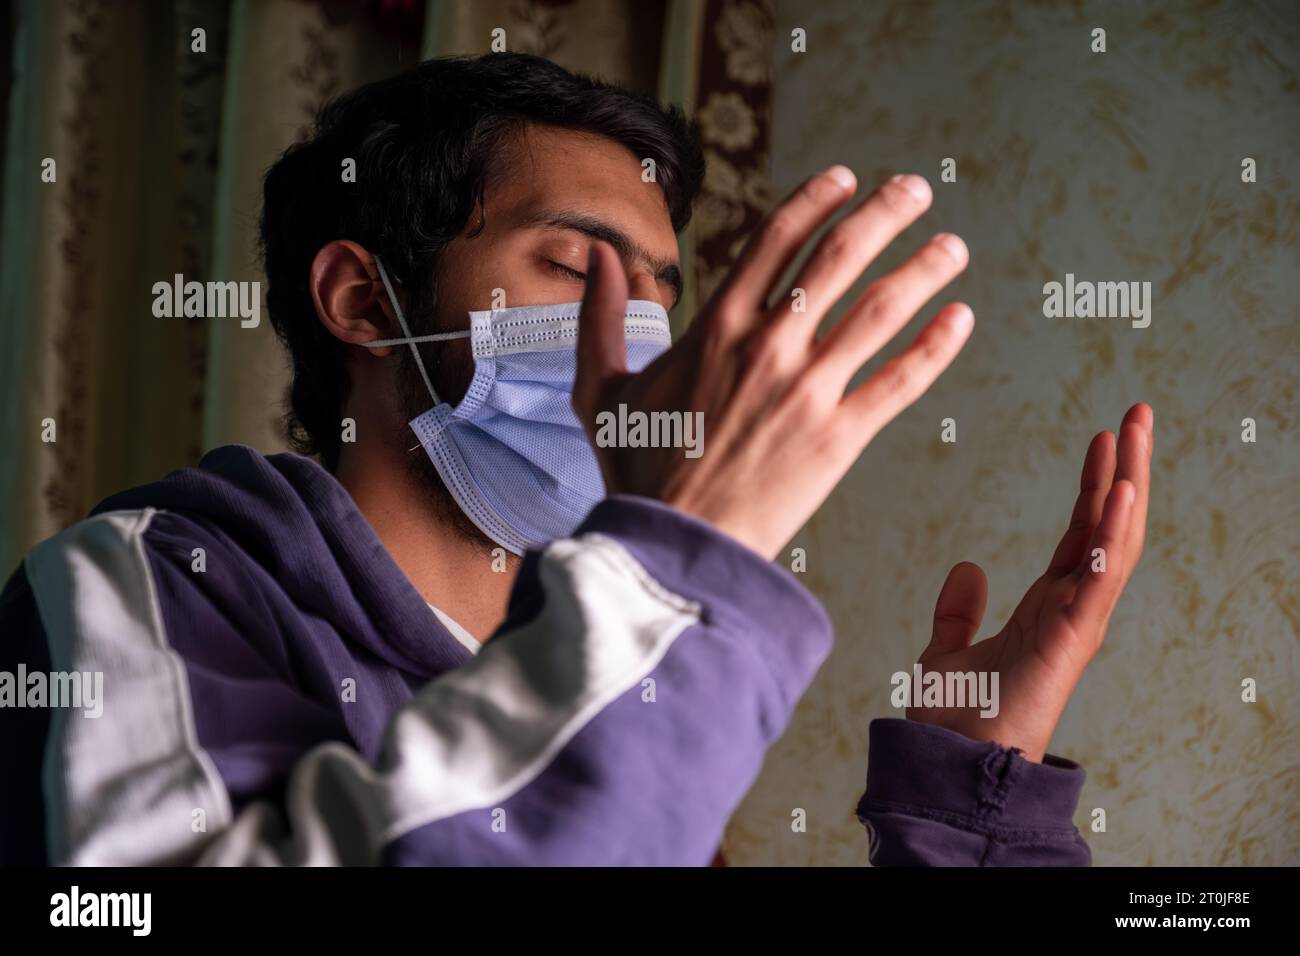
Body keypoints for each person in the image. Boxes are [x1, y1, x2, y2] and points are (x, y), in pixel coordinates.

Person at [0, 52, 1152, 866]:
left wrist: (969, 804)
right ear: (362, 300)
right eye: (577, 265)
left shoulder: (623, 671)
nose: (637, 336)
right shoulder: (138, 587)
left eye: (660, 287)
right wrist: (679, 566)